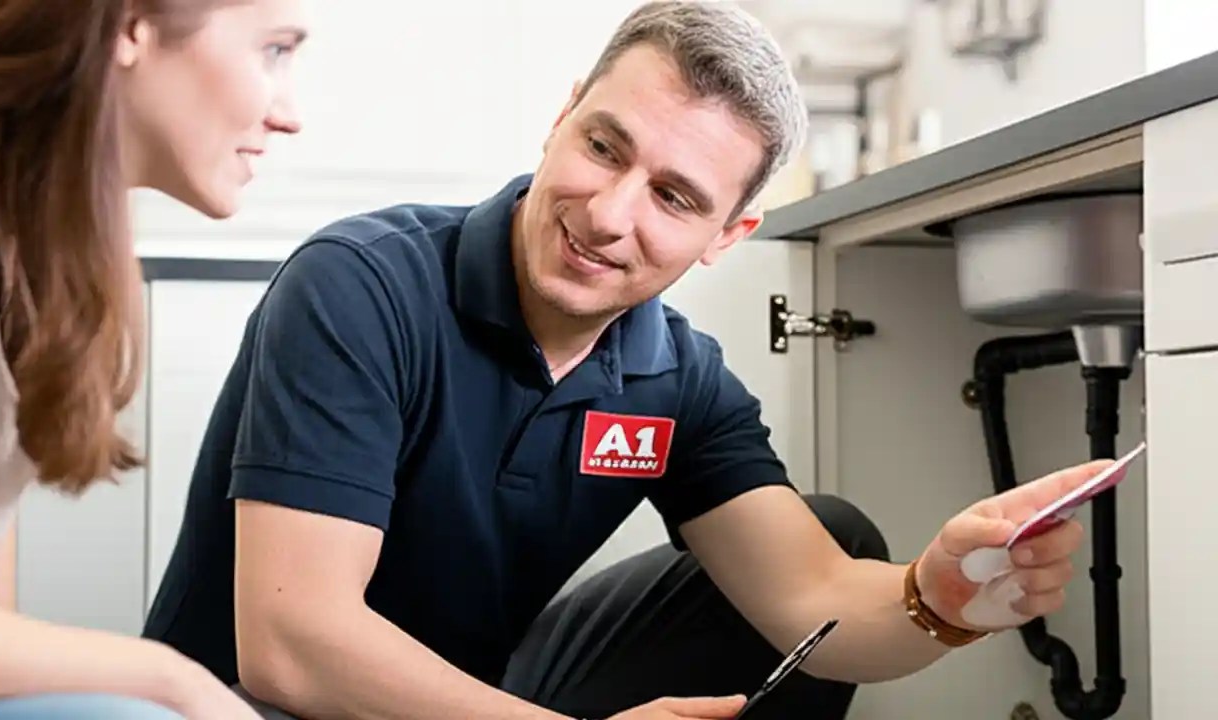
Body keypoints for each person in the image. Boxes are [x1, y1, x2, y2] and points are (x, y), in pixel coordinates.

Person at [144, 2, 1110, 719]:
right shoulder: (363, 287)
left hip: (481, 699)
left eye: (675, 198)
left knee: (837, 538)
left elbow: (820, 601)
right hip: (243, 708)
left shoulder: (674, 378)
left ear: (729, 235)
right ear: (563, 117)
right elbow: (292, 647)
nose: (609, 216)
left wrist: (933, 599)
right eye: (605, 147)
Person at [0, 1, 307, 718]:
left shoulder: (30, 227)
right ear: (131, 25)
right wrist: (170, 679)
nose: (289, 113)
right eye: (273, 51)